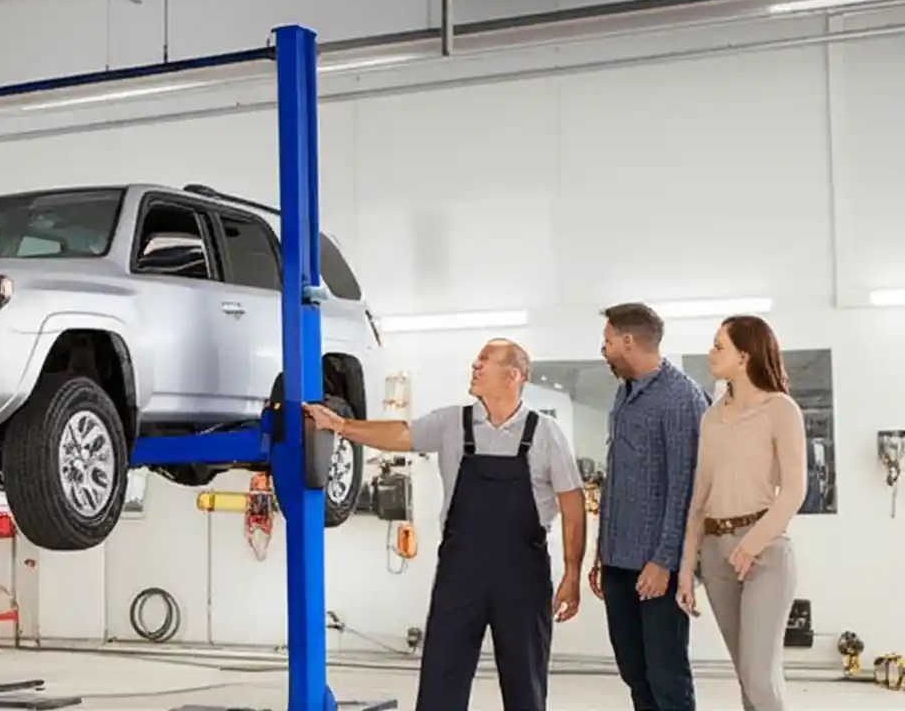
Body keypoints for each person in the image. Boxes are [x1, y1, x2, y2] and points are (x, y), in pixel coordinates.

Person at [304, 338, 586, 711]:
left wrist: (572, 571)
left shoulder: (545, 432)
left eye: (485, 359)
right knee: (441, 680)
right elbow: (400, 433)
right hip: (461, 573)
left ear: (513, 375)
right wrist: (341, 425)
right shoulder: (452, 422)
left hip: (522, 577)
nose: (475, 365)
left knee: (526, 684)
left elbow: (572, 503)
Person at [676, 316, 806, 711]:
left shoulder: (780, 409)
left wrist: (752, 545)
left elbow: (795, 491)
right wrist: (686, 566)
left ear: (744, 355)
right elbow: (699, 498)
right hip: (716, 556)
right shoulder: (712, 417)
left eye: (719, 346)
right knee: (746, 679)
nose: (710, 353)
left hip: (764, 553)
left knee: (760, 679)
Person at [594, 302, 710, 711]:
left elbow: (687, 485)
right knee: (635, 673)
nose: (603, 350)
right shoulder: (624, 396)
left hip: (656, 568)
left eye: (608, 342)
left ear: (628, 341)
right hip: (618, 563)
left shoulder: (681, 398)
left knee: (666, 677)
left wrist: (665, 561)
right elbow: (618, 480)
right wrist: (600, 555)